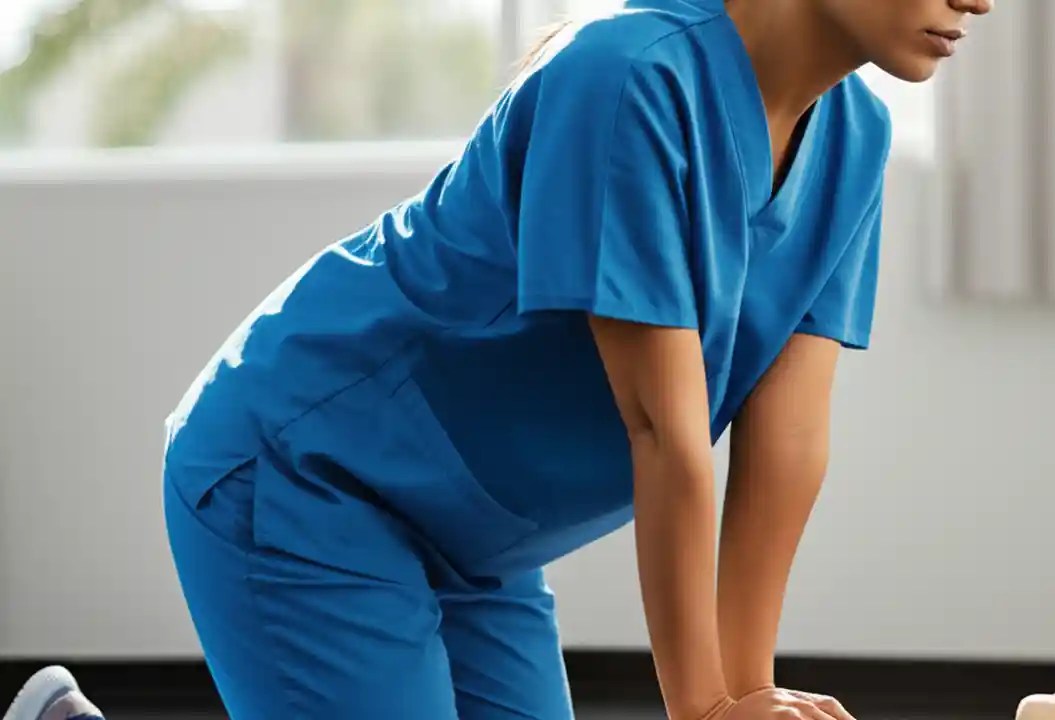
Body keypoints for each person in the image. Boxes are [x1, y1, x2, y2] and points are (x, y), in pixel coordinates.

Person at [9, 0, 994, 718]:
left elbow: (787, 445)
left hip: (473, 537)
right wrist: (700, 712)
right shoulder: (627, 76)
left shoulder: (852, 135)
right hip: (308, 475)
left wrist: (748, 690)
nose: (978, 1)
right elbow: (664, 428)